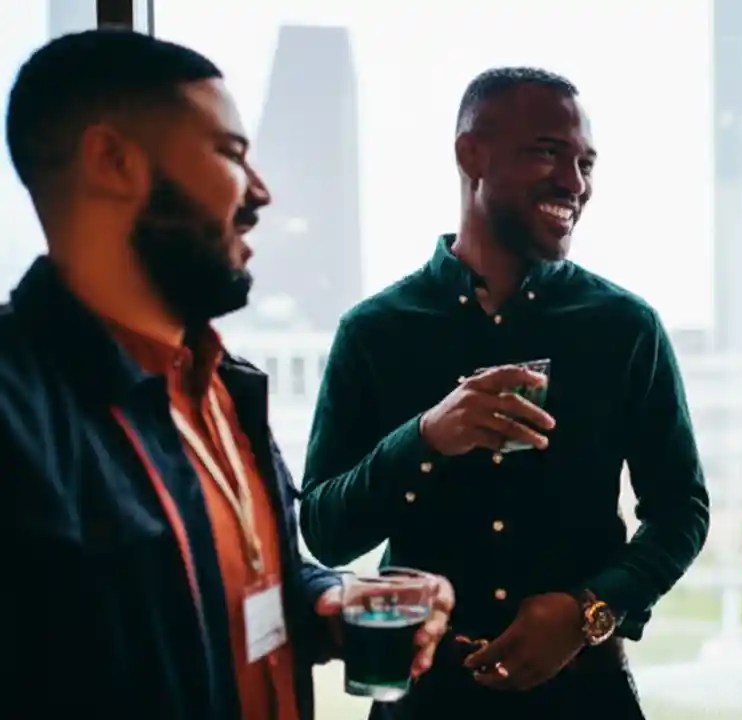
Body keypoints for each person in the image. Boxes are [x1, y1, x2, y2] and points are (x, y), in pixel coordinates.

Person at [0, 30, 452, 719]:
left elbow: (244, 592)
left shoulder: (225, 387)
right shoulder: (18, 409)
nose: (261, 192)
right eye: (232, 153)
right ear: (112, 161)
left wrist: (325, 602)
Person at [299, 66, 710, 718]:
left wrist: (588, 610)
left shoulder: (626, 327)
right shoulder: (374, 332)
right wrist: (426, 438)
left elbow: (682, 510)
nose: (574, 183)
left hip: (586, 697)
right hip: (420, 702)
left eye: (585, 163)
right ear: (472, 154)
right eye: (548, 152)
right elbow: (323, 531)